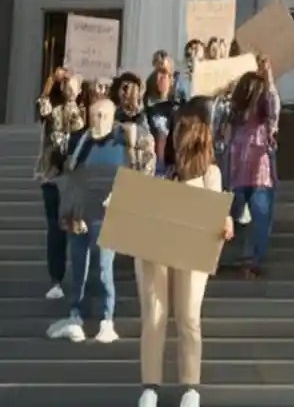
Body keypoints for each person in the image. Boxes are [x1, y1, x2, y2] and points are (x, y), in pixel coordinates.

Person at [136, 99, 235, 407]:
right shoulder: (164, 172)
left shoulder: (211, 173)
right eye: (178, 128)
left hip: (192, 248)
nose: (180, 134)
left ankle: (190, 386)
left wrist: (225, 220)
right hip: (159, 246)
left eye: (185, 129)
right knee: (155, 314)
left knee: (188, 315)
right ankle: (150, 385)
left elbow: (218, 209)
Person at [48, 97, 155, 343]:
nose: (98, 120)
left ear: (113, 116)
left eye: (104, 116)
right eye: (95, 115)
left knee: (104, 268)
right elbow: (70, 176)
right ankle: (76, 315)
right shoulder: (81, 142)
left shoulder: (123, 140)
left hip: (107, 213)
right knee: (79, 267)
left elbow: (139, 169)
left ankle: (107, 319)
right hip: (80, 213)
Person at [225, 68, 280, 278]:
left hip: (257, 171)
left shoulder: (264, 119)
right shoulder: (236, 115)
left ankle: (253, 259)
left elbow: (274, 106)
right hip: (247, 172)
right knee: (250, 218)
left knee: (258, 217)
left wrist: (270, 80)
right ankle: (250, 258)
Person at [36, 72, 84, 300]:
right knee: (55, 228)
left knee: (75, 227)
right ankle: (56, 279)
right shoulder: (52, 108)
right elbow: (41, 106)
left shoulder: (83, 110)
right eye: (65, 84)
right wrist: (51, 81)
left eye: (72, 84)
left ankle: (80, 279)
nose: (68, 88)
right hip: (52, 176)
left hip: (74, 177)